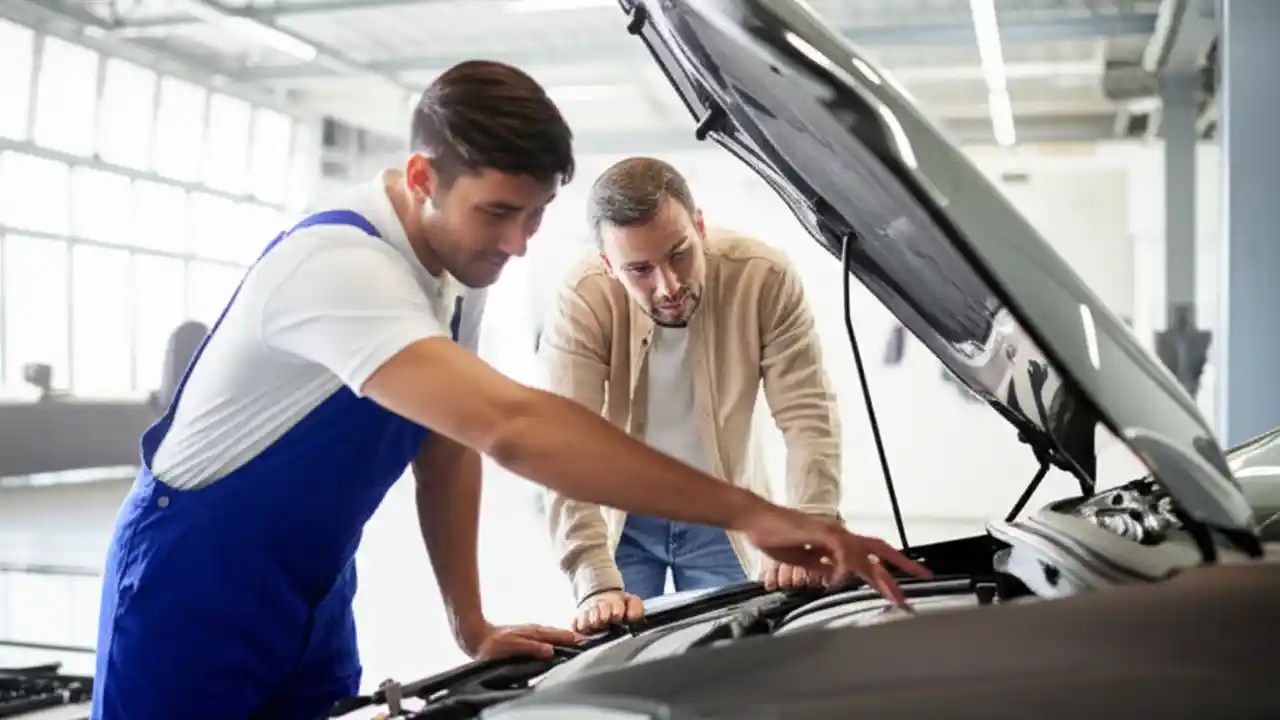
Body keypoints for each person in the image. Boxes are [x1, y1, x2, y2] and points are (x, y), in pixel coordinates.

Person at [92, 61, 927, 720]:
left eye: (533, 216)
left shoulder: (454, 271)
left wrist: (472, 623)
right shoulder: (341, 268)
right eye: (499, 213)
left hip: (313, 583)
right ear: (422, 176)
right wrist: (755, 511)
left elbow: (446, 445)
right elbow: (512, 426)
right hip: (192, 580)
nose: (519, 245)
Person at [541, 156, 850, 633]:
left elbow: (808, 413)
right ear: (608, 265)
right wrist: (594, 578)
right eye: (639, 269)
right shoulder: (583, 297)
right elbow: (561, 446)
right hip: (621, 524)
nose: (669, 285)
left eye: (679, 253)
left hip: (722, 515)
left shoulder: (763, 276)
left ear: (699, 226)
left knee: (736, 663)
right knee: (621, 671)